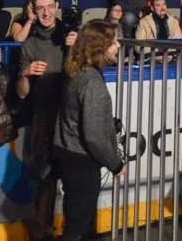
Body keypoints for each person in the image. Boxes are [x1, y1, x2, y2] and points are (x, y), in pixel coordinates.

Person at [54, 20, 127, 240]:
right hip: (81, 163)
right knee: (77, 229)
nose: (118, 46)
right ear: (100, 46)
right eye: (114, 42)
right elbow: (94, 137)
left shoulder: (78, 70)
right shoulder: (92, 82)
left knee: (76, 223)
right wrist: (115, 164)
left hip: (69, 157)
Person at [16, 0, 78, 241]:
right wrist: (26, 74)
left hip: (72, 116)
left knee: (76, 178)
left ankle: (74, 233)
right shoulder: (29, 45)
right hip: (43, 118)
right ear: (33, 11)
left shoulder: (71, 35)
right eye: (40, 8)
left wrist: (76, 48)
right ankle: (41, 234)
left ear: (56, 6)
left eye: (49, 6)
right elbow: (21, 94)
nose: (46, 12)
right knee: (45, 179)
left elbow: (89, 71)